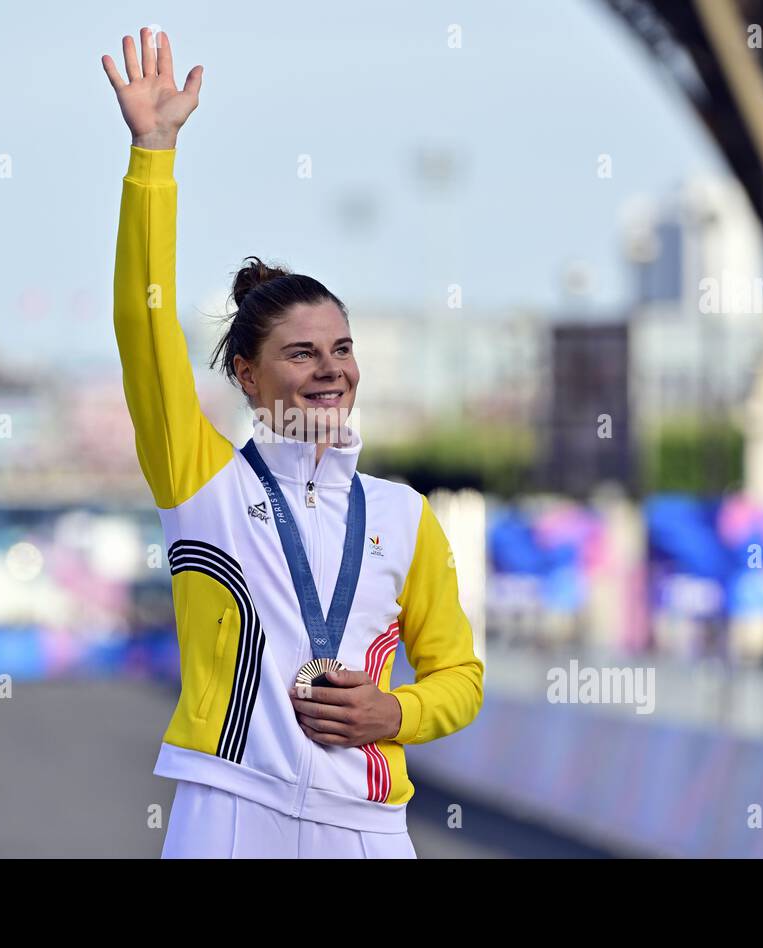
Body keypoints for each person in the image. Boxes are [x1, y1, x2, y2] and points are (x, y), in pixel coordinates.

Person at [102, 27, 484, 859]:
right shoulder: (202, 484)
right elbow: (144, 323)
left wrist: (397, 714)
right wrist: (153, 155)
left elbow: (460, 678)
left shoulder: (403, 515)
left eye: (342, 349)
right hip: (231, 811)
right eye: (301, 353)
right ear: (246, 374)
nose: (330, 371)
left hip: (370, 828)